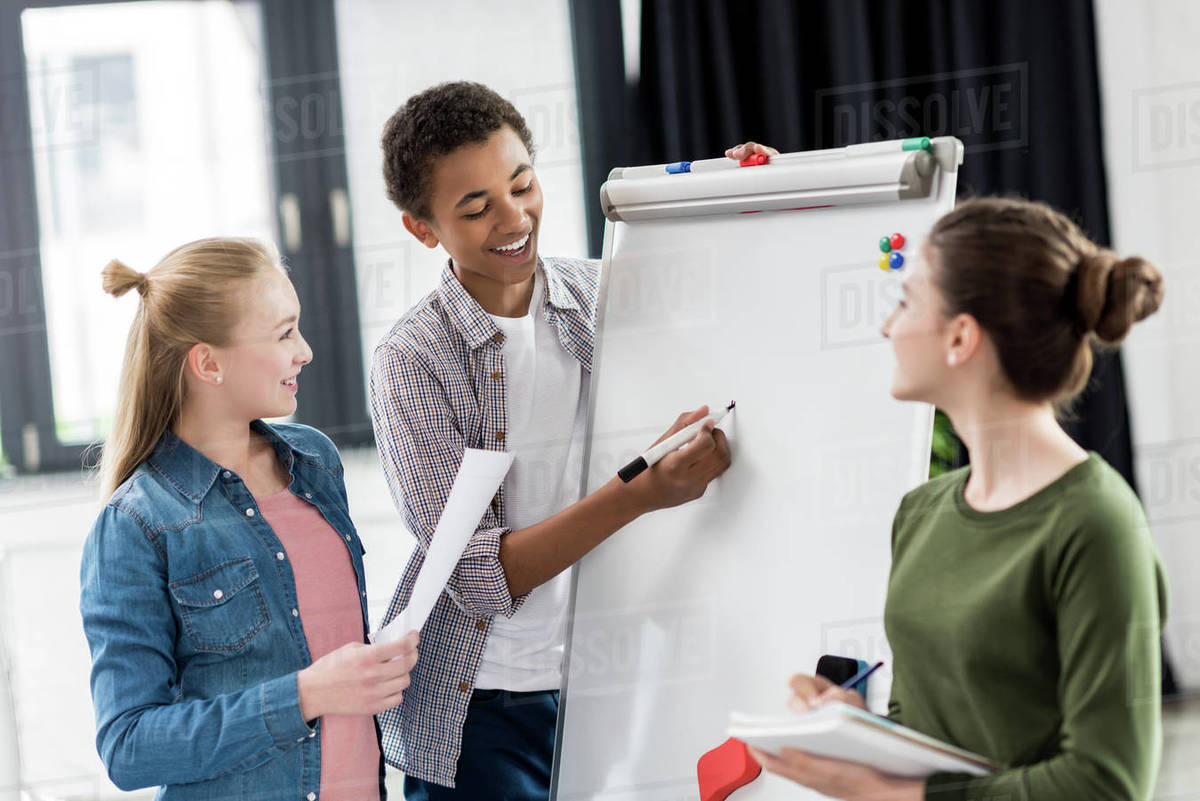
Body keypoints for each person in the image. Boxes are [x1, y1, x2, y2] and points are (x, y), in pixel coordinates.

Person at [370, 82, 752, 798]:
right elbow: (477, 577)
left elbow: (733, 313)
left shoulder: (605, 295)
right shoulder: (413, 360)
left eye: (522, 185)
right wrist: (639, 494)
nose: (515, 218)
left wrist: (751, 197)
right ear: (422, 229)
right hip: (482, 702)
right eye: (476, 207)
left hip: (610, 680)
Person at [751, 197, 1168, 801]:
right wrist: (855, 726)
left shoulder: (1097, 524)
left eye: (905, 302)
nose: (886, 327)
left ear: (960, 338)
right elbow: (937, 733)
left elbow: (1107, 782)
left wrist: (895, 798)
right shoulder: (919, 514)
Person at [80, 238, 419, 800]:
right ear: (208, 363)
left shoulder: (314, 462)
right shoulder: (137, 524)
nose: (305, 351)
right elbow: (129, 746)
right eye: (284, 333)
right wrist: (307, 695)